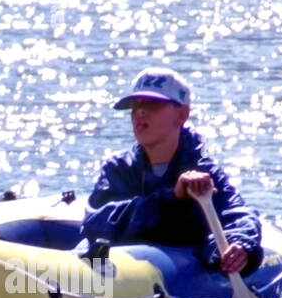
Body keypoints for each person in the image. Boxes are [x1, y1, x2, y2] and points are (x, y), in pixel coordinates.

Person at [80, 67, 262, 274]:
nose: (140, 112)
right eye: (135, 105)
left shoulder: (204, 174)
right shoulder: (119, 169)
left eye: (152, 104)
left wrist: (238, 245)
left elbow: (238, 215)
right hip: (123, 275)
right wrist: (172, 198)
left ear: (181, 115)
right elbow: (97, 222)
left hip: (181, 280)